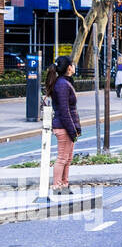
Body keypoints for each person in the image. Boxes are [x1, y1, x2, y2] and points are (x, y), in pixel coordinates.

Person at [44, 56, 80, 195]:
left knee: (68, 158)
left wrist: (75, 129)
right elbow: (65, 111)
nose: (74, 67)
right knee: (62, 158)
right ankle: (57, 186)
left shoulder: (64, 83)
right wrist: (72, 130)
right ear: (69, 68)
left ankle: (64, 184)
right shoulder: (62, 84)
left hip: (67, 126)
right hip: (64, 127)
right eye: (73, 65)